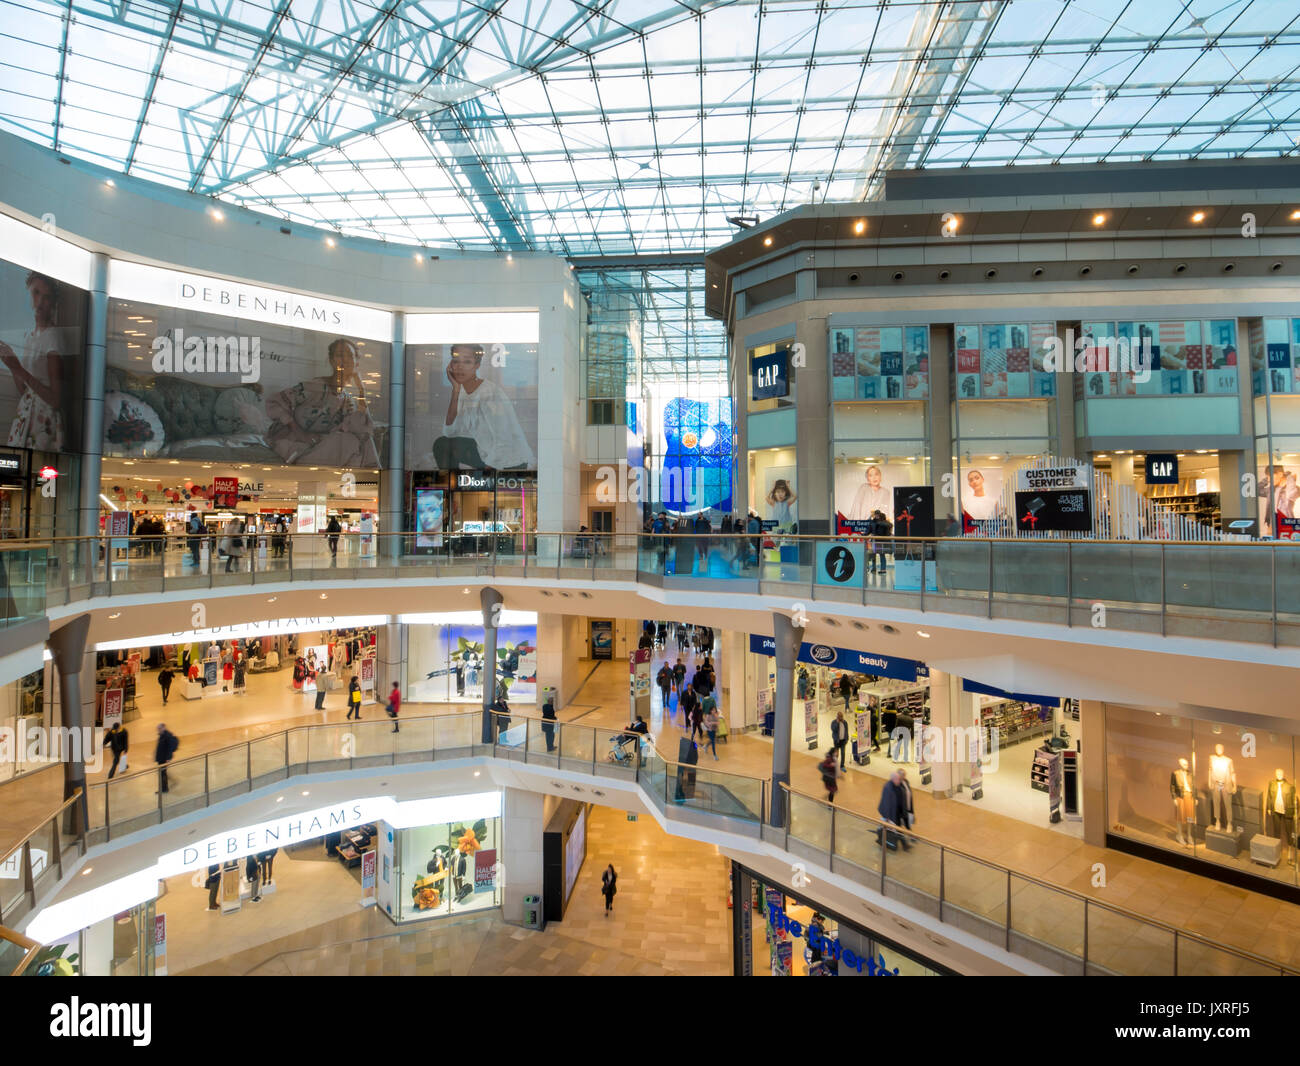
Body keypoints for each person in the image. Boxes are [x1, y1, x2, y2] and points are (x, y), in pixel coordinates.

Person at [266, 337, 380, 467]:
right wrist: (298, 431)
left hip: (322, 448)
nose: (345, 360)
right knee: (348, 442)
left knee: (355, 441)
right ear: (331, 360)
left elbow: (365, 430)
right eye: (340, 355)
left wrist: (361, 391)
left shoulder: (348, 400)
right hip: (296, 446)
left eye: (350, 355)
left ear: (356, 363)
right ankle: (370, 481)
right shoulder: (315, 387)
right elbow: (274, 403)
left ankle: (367, 482)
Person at [428, 344, 536, 470]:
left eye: (467, 361)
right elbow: (449, 432)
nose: (460, 367)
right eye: (456, 361)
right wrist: (456, 390)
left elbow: (504, 441)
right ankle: (450, 484)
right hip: (486, 452)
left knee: (444, 445)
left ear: (477, 365)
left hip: (511, 460)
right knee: (442, 444)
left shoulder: (490, 393)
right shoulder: (462, 391)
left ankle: (462, 484)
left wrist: (484, 476)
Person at [0, 271, 69, 451]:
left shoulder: (52, 338)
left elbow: (55, 400)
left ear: (53, 303)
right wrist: (13, 363)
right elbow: (24, 390)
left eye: (46, 297)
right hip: (27, 415)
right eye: (36, 293)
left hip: (42, 420)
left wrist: (18, 369)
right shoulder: (30, 336)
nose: (39, 302)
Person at [876, 770, 910, 850]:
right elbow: (886, 803)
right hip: (891, 814)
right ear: (893, 779)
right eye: (898, 779)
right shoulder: (888, 788)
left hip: (896, 812)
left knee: (898, 828)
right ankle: (903, 844)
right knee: (896, 829)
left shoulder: (897, 785)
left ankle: (903, 844)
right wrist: (887, 818)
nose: (900, 781)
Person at [154, 723, 179, 793]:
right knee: (162, 773)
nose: (158, 730)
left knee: (162, 773)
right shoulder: (162, 735)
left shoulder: (167, 736)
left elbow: (170, 748)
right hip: (161, 758)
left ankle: (164, 789)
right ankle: (165, 787)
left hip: (164, 759)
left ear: (163, 728)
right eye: (158, 729)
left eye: (159, 729)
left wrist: (168, 758)